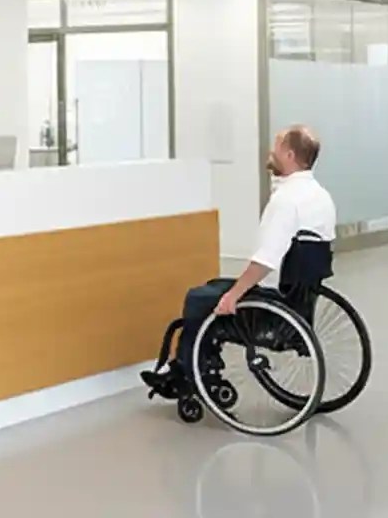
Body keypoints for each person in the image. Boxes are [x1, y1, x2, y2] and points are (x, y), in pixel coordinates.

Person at [141, 124, 336, 395]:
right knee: (213, 285)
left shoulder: (286, 202)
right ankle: (196, 364)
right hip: (299, 301)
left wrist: (234, 295)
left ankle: (188, 374)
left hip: (273, 305)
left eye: (277, 146)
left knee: (198, 299)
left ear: (290, 155)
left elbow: (265, 261)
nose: (270, 151)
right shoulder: (320, 197)